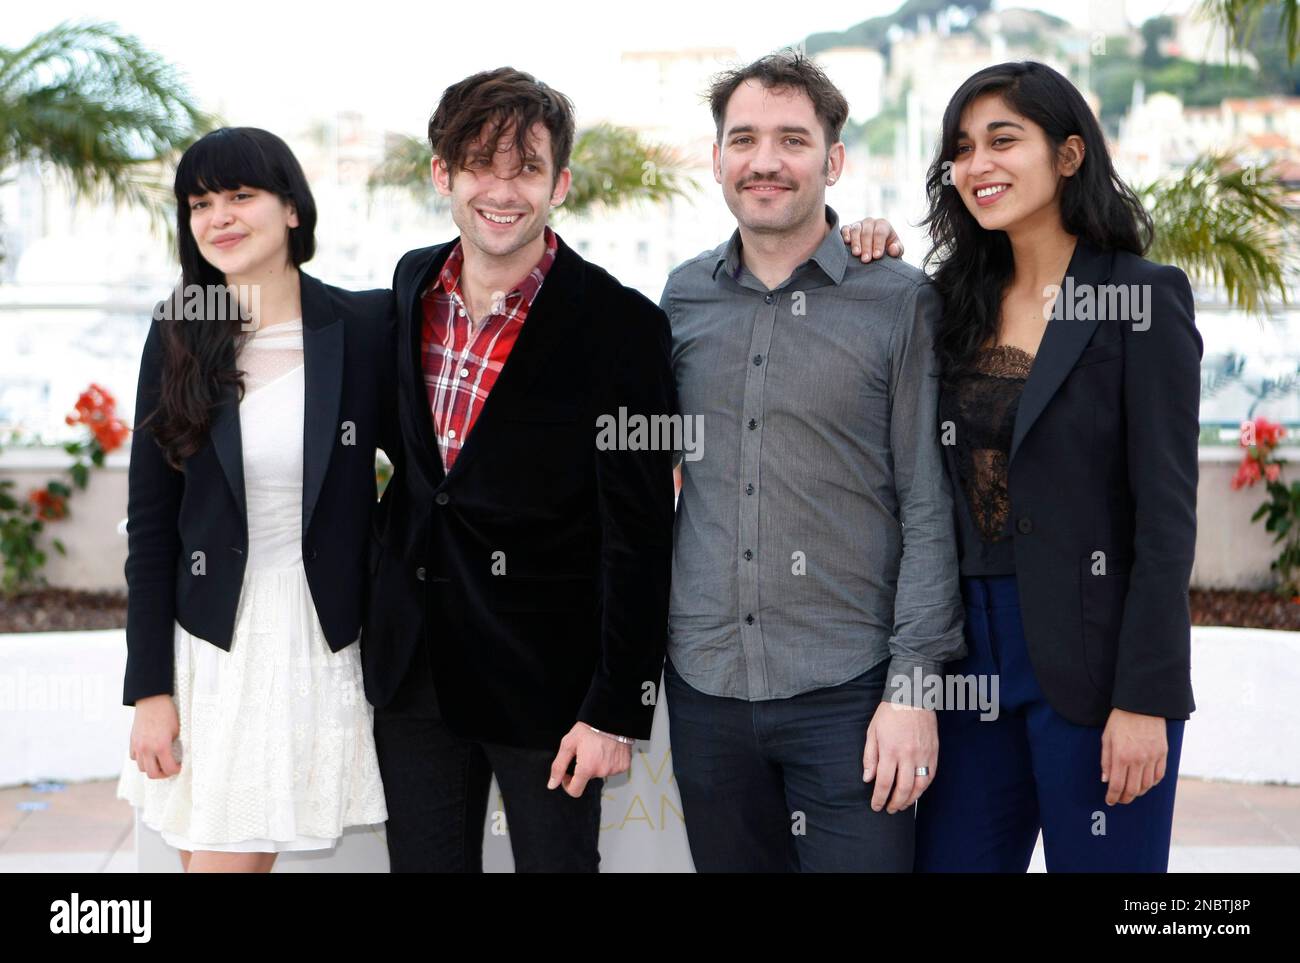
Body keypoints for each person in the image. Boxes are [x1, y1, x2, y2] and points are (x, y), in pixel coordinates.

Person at [844, 60, 1200, 872]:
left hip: (1096, 665)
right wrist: (863, 241)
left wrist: (1144, 698)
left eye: (1004, 140)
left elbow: (1167, 516)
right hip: (966, 664)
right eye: (962, 149)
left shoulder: (1141, 296)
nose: (978, 165)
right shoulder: (947, 302)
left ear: (1069, 154)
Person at [364, 68, 677, 872]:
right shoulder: (409, 287)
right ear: (443, 175)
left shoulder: (623, 326)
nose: (502, 191)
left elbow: (639, 536)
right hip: (415, 675)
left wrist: (614, 706)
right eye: (479, 165)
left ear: (559, 183)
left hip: (549, 687)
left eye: (527, 168)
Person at [659, 51, 965, 872]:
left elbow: (928, 502)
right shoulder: (681, 298)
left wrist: (913, 686)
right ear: (718, 157)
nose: (765, 160)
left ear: (832, 161)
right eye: (744, 139)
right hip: (705, 685)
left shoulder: (898, 300)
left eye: (792, 140)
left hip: (853, 692)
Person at [116, 127, 395, 872]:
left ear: (292, 210)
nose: (219, 217)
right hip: (211, 647)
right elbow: (150, 528)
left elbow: (429, 469)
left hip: (322, 640)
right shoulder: (178, 335)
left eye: (241, 195)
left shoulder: (362, 327)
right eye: (200, 202)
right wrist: (150, 689)